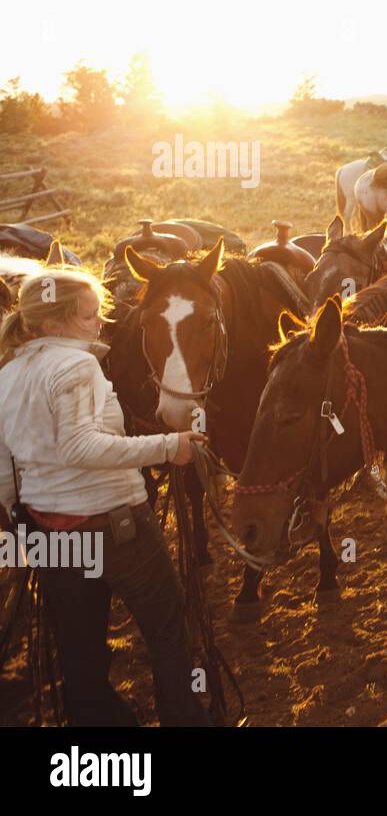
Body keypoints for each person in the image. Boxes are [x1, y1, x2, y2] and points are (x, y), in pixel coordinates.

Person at [0, 267, 211, 725]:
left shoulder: (7, 375)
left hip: (51, 535)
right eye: (89, 316)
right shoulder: (76, 366)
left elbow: (4, 471)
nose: (100, 324)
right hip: (115, 525)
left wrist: (25, 523)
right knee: (167, 629)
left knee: (79, 649)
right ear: (55, 324)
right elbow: (81, 446)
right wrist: (168, 447)